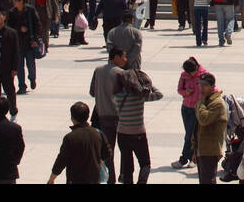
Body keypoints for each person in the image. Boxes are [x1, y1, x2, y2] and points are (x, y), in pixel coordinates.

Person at [114, 60, 161, 184]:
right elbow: (159, 95)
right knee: (145, 163)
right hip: (138, 134)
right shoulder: (140, 96)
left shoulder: (117, 96)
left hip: (122, 134)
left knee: (127, 166)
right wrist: (148, 85)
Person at [48, 102, 110, 185]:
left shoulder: (70, 138)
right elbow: (107, 154)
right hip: (94, 178)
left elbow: (61, 160)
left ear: (72, 118)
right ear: (88, 116)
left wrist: (52, 178)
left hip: (75, 179)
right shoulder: (98, 133)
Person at [89, 48, 124, 184]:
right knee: (124, 149)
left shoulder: (98, 70)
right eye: (123, 57)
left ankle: (111, 179)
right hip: (118, 116)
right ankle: (123, 175)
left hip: (102, 116)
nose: (125, 60)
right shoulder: (121, 73)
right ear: (115, 57)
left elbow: (92, 92)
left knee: (107, 151)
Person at [193, 72, 228, 184]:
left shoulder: (217, 103)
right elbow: (196, 127)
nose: (201, 88)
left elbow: (204, 119)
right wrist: (194, 148)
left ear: (212, 87)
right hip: (201, 148)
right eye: (200, 85)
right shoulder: (206, 100)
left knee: (208, 180)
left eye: (205, 85)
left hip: (210, 149)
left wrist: (200, 102)